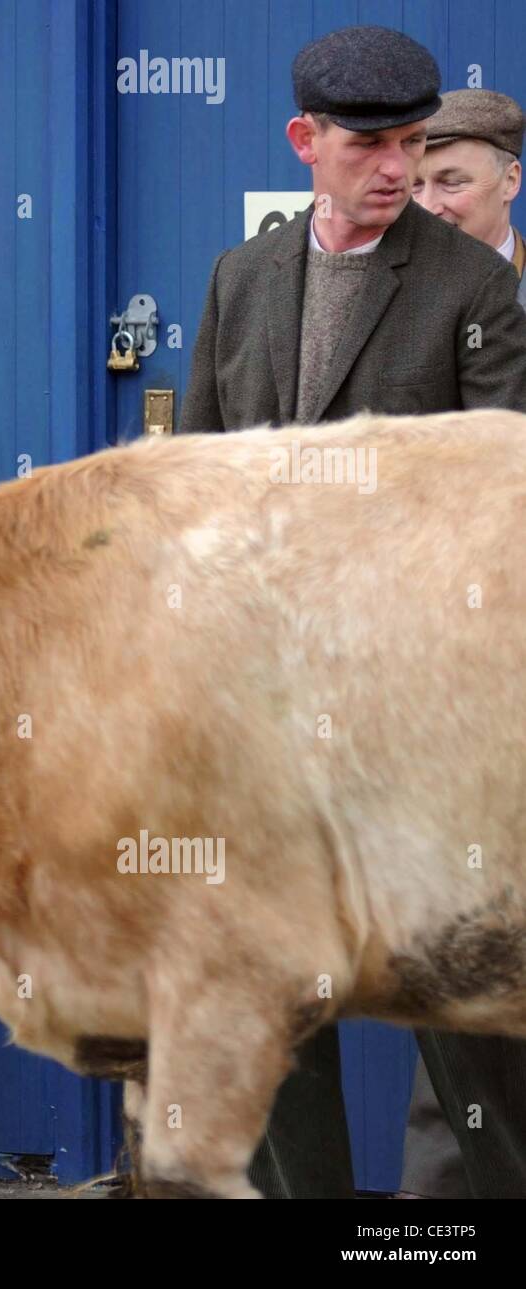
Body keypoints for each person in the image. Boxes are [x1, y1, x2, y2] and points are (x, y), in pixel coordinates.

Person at [180, 27, 526, 1197]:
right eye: (370, 145)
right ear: (305, 142)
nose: (394, 167)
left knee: (465, 1026)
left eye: (415, 145)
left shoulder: (474, 289)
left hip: (419, 733)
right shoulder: (243, 278)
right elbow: (201, 488)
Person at [398, 88, 526, 1198]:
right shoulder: (399, 309)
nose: (432, 202)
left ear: (507, 184)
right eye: (419, 181)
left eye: (455, 181)